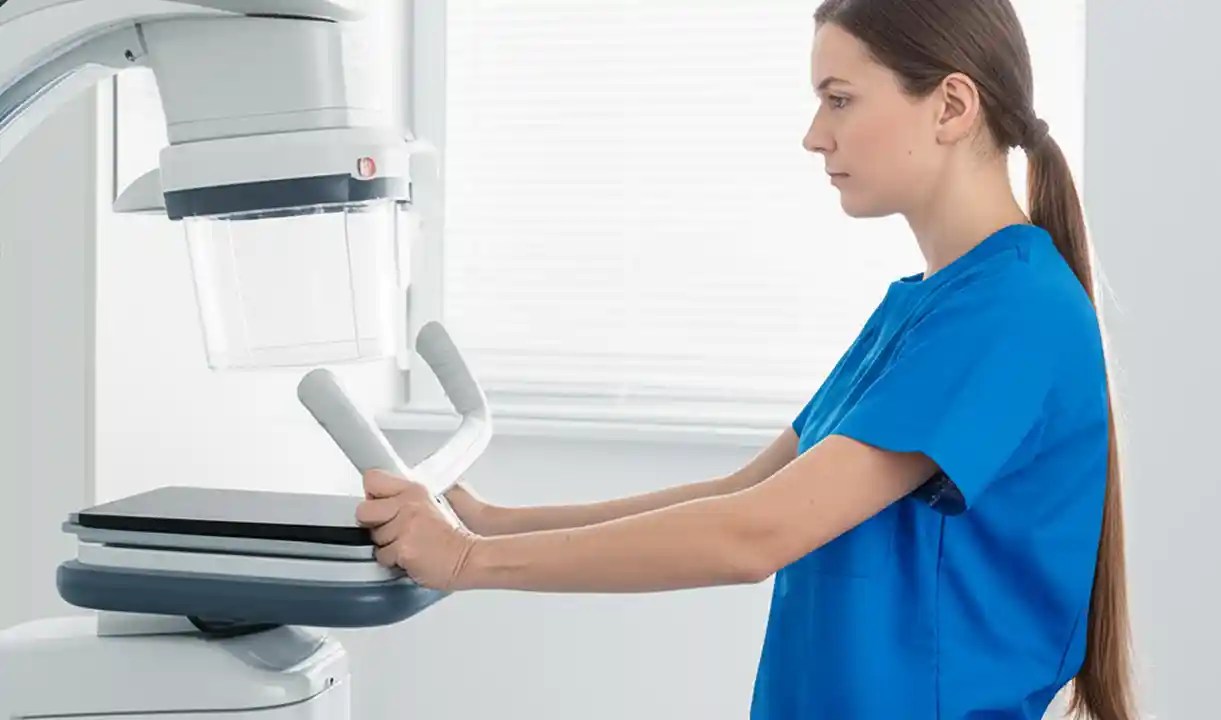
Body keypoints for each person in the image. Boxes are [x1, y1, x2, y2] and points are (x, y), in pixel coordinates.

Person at [354, 0, 1134, 717]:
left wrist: (468, 560)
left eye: (840, 98)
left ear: (951, 107)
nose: (814, 134)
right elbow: (749, 492)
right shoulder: (930, 303)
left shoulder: (1009, 311)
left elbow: (754, 535)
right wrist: (497, 522)